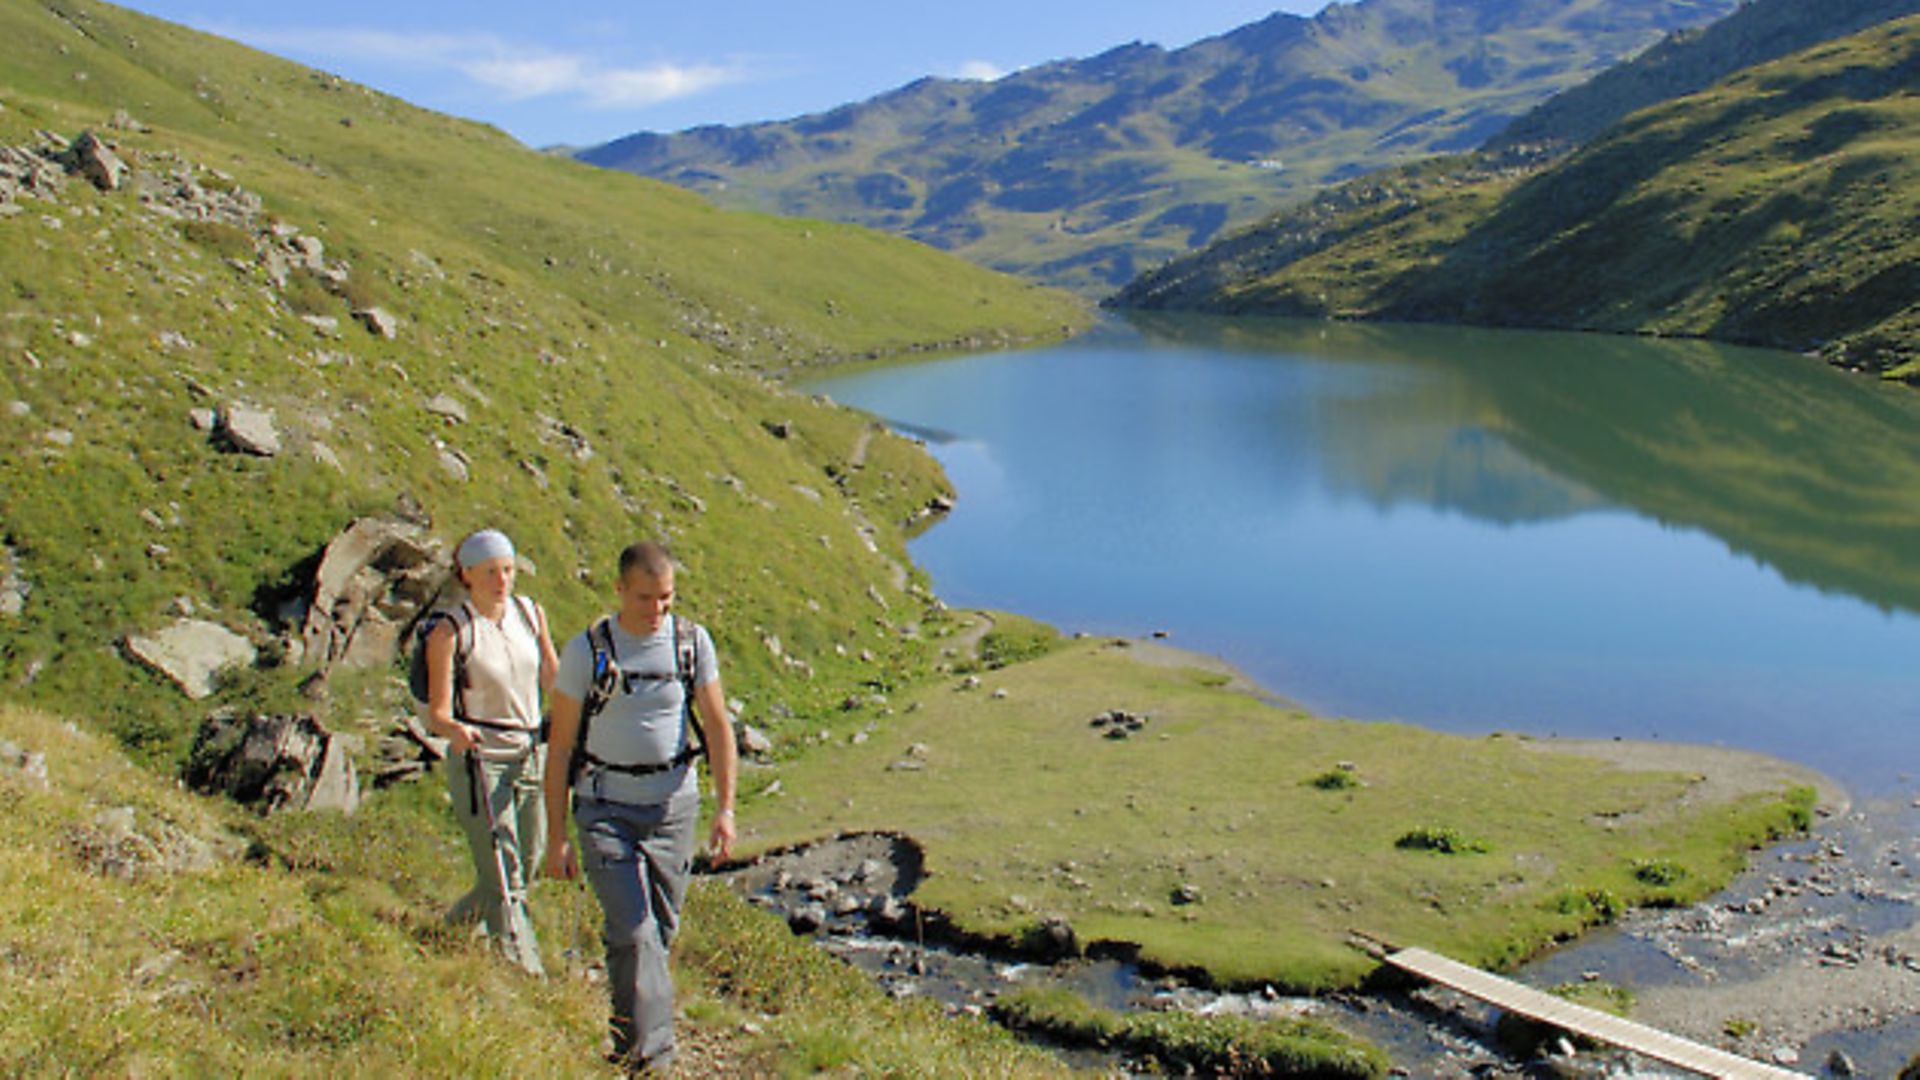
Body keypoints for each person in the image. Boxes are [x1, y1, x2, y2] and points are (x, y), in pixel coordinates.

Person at [544, 541, 738, 1075]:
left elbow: (718, 727)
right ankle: (654, 1061)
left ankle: (627, 1039)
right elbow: (560, 746)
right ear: (620, 590)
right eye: (645, 598)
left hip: (673, 807)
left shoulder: (691, 644)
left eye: (667, 600)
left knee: (658, 934)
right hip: (604, 807)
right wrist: (556, 835)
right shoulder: (587, 651)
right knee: (635, 930)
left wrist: (726, 810)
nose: (656, 611)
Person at [423, 528, 558, 975]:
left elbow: (553, 680)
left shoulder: (529, 614)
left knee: (530, 859)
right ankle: (522, 968)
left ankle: (450, 931)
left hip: (531, 752)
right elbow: (437, 714)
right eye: (491, 572)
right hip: (482, 759)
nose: (502, 580)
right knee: (505, 870)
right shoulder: (450, 631)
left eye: (508, 570)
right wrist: (456, 731)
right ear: (467, 575)